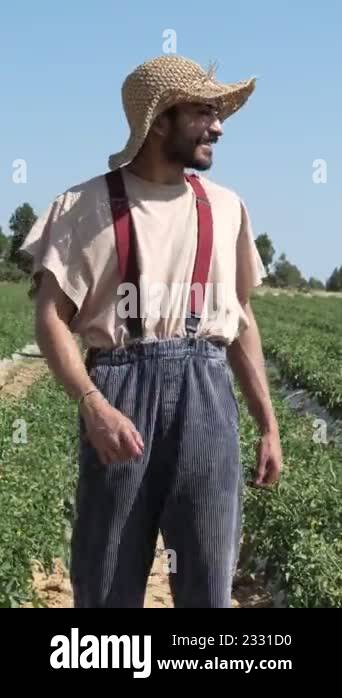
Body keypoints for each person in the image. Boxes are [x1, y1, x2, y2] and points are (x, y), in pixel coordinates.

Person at [20, 54, 283, 609]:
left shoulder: (227, 208)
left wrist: (268, 423)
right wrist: (93, 405)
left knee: (208, 581)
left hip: (207, 396)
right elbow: (51, 320)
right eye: (204, 113)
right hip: (119, 391)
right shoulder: (82, 206)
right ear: (159, 119)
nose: (218, 126)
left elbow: (240, 319)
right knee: (107, 578)